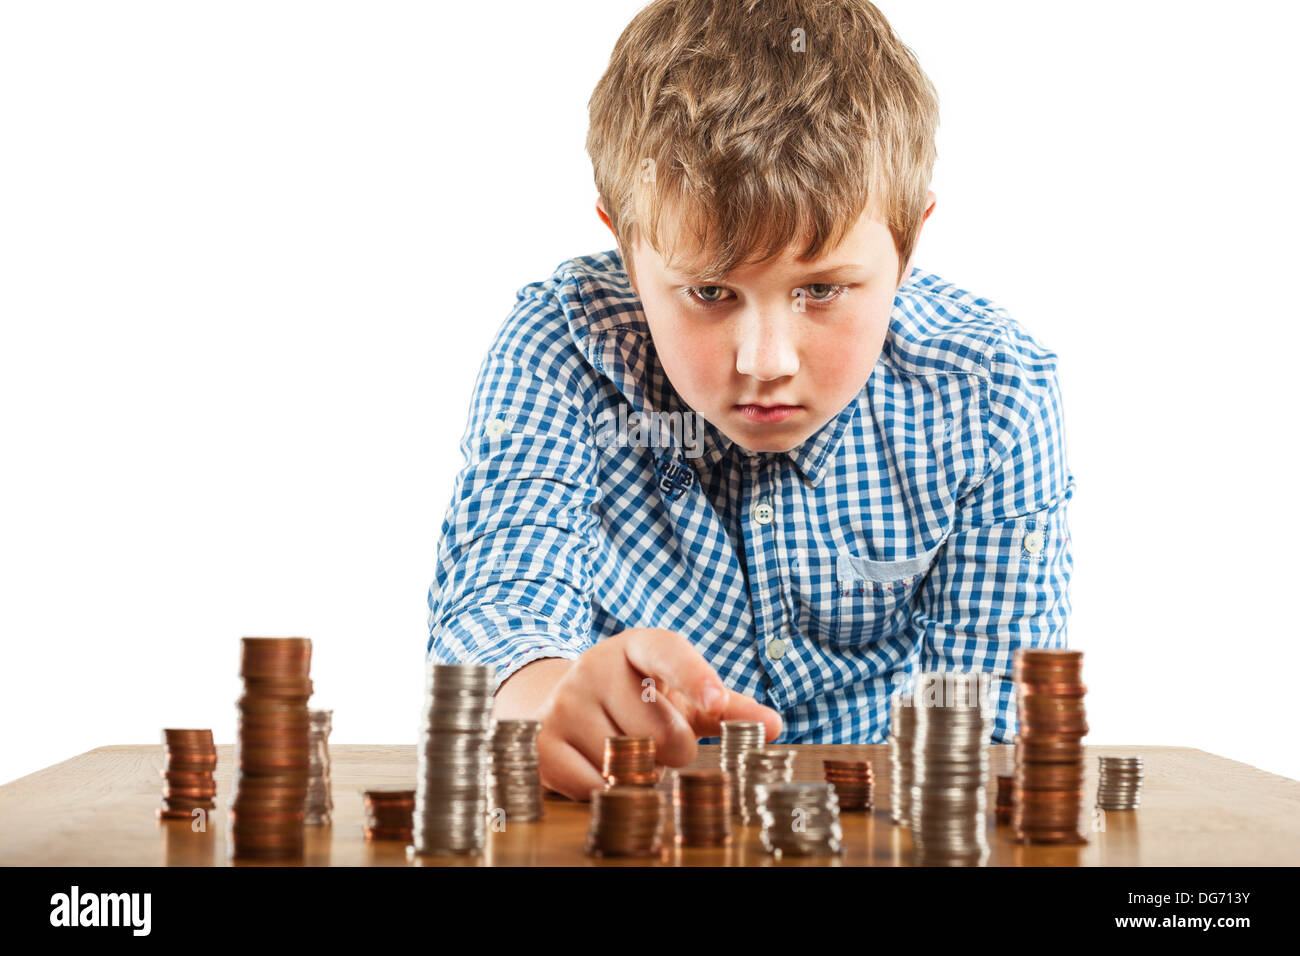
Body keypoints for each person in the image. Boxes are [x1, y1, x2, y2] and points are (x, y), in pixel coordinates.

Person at [426, 0, 1075, 801]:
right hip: (628, 819)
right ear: (628, 254)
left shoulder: (992, 393)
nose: (765, 363)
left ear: (908, 250)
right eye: (709, 290)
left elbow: (990, 724)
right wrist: (549, 700)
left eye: (823, 290)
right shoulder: (562, 349)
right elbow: (498, 606)